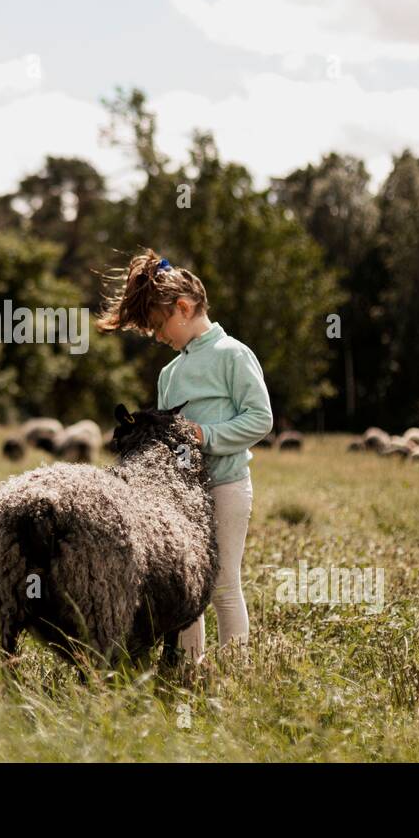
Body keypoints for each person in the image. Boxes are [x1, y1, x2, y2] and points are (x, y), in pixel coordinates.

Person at [96, 249, 273, 665]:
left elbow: (260, 418)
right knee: (185, 582)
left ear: (184, 307)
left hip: (226, 485)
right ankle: (188, 672)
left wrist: (203, 435)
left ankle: (236, 672)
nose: (159, 337)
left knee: (223, 583)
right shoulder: (169, 373)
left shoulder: (233, 354)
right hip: (179, 495)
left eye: (159, 327)